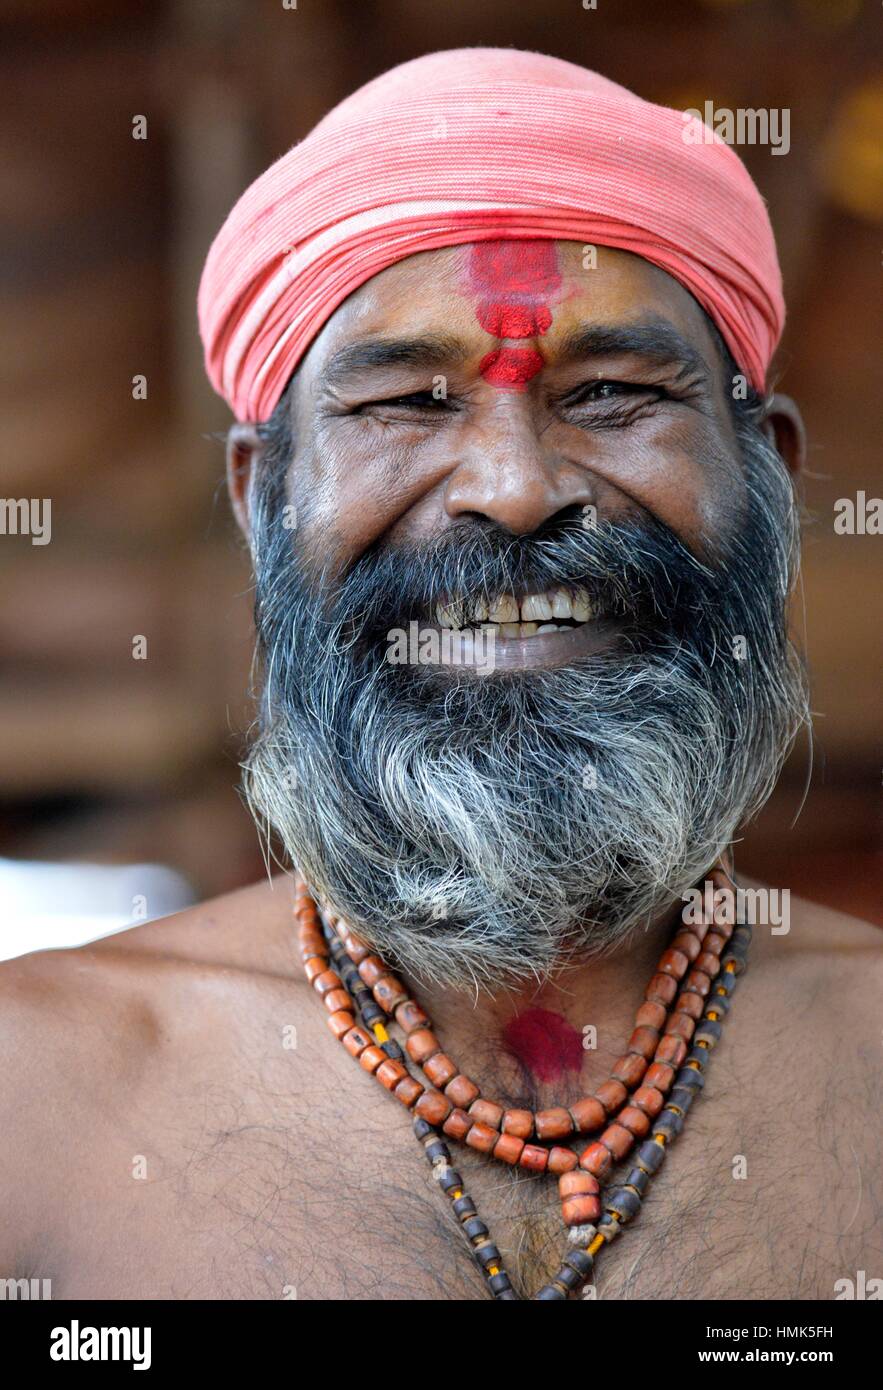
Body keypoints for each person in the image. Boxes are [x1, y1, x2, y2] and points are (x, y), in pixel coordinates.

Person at [2, 48, 879, 1302]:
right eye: (408, 403)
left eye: (618, 393)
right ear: (262, 499)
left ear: (772, 478)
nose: (517, 490)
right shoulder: (34, 1087)